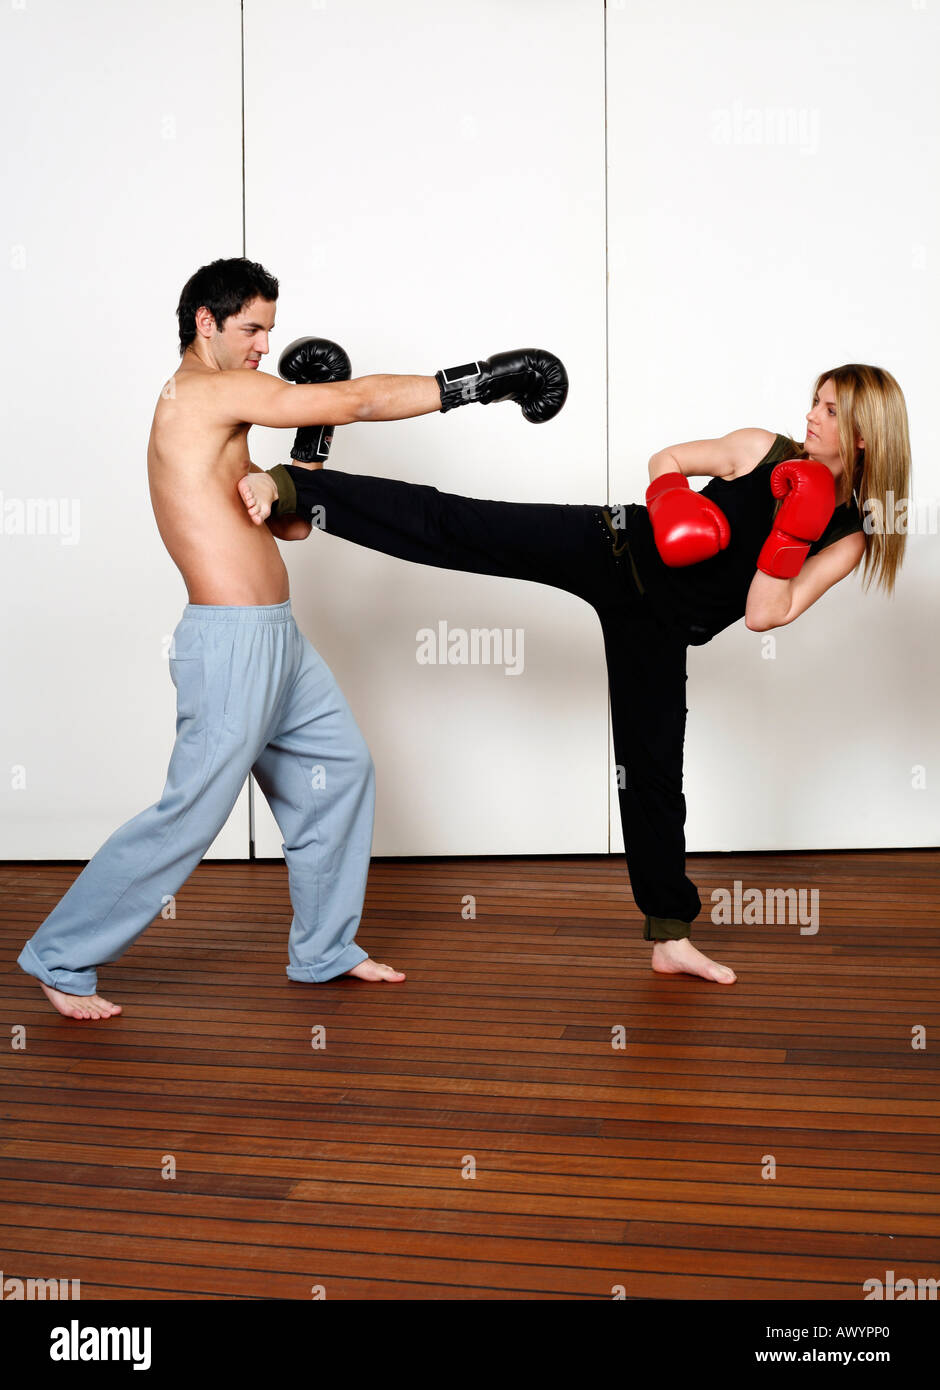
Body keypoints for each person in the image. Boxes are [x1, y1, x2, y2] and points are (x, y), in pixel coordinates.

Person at [238, 361, 912, 985]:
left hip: (661, 627)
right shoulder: (761, 449)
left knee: (653, 770)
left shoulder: (846, 536)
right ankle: (298, 487)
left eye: (829, 409)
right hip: (615, 545)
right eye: (815, 402)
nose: (812, 417)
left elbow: (766, 614)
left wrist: (797, 525)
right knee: (464, 523)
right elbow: (667, 458)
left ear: (861, 436)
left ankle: (671, 935)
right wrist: (675, 497)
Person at [17, 257, 567, 1020]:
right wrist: (477, 382)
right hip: (231, 644)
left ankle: (323, 948)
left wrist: (303, 456)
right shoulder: (199, 393)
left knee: (340, 772)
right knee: (190, 814)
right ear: (205, 323)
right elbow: (361, 400)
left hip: (279, 641)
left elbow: (292, 526)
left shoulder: (227, 420)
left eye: (269, 330)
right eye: (251, 328)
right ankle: (60, 956)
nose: (263, 346)